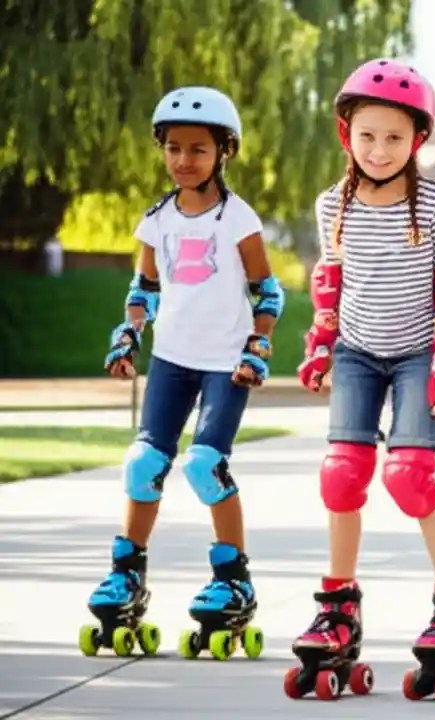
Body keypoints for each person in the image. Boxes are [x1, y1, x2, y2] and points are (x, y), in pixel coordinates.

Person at [286, 58, 435, 702]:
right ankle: (338, 608)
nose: (380, 149)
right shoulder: (332, 205)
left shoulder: (433, 202)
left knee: (409, 475)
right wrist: (319, 348)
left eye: (394, 138)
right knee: (341, 475)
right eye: (368, 136)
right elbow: (330, 286)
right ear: (348, 135)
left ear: (417, 142)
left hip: (415, 355)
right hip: (355, 352)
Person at [83, 86, 282, 661]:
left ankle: (233, 579)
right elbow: (142, 289)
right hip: (172, 357)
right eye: (173, 148)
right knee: (144, 462)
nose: (184, 159)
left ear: (224, 151)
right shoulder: (156, 220)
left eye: (198, 149)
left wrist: (257, 346)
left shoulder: (237, 218)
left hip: (226, 362)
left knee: (204, 464)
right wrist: (128, 334)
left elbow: (267, 290)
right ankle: (127, 573)